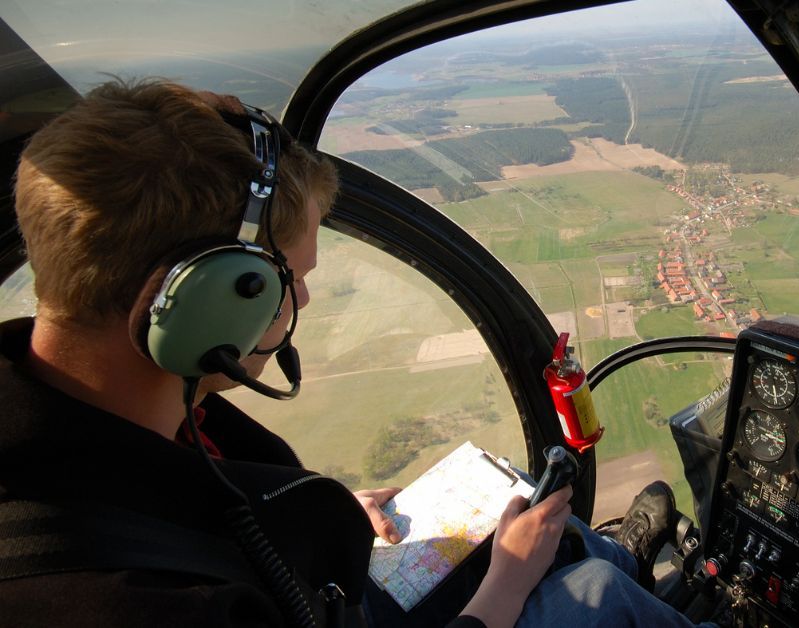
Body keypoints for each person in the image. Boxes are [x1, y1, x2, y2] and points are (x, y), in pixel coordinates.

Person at [0, 78, 706, 628]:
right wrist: (503, 589)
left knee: (536, 515)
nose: (301, 301)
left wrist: (318, 516)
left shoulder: (105, 412)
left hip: (319, 586)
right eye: (288, 280)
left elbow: (199, 512)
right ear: (201, 302)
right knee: (588, 594)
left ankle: (634, 568)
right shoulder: (137, 609)